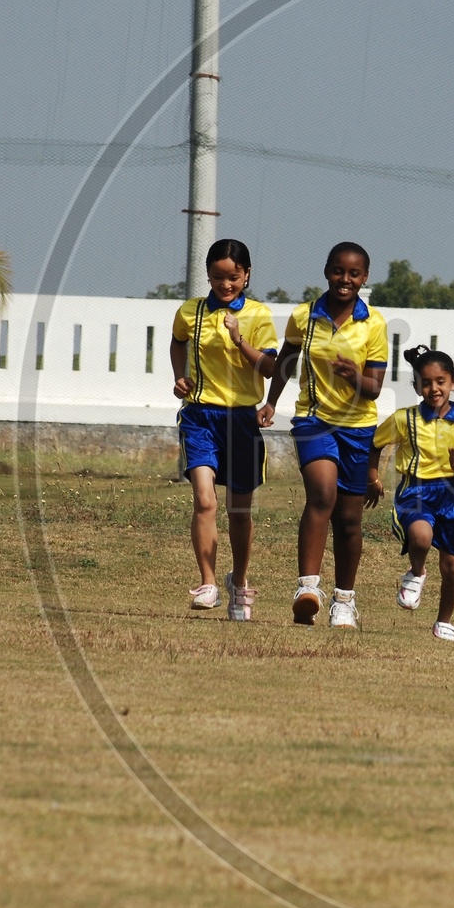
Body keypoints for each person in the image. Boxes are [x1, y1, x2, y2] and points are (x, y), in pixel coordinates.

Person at [265, 242, 388, 628]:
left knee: (349, 520)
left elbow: (375, 388)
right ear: (326, 271)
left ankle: (345, 601)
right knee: (322, 495)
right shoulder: (305, 317)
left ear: (365, 278)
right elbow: (286, 362)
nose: (345, 280)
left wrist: (355, 375)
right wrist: (270, 403)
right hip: (314, 421)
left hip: (358, 427)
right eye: (338, 271)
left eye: (354, 274)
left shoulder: (374, 324)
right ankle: (308, 588)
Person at [168, 238, 280, 622]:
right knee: (204, 501)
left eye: (233, 277)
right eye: (217, 277)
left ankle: (240, 582)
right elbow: (177, 342)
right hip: (200, 417)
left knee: (239, 511)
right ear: (208, 276)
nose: (225, 285)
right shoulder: (191, 311)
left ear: (247, 275)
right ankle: (208, 583)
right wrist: (179, 378)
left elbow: (269, 368)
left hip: (242, 421)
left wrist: (239, 339)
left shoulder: (259, 315)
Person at [366, 346, 454, 642]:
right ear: (417, 386)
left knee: (453, 566)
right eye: (426, 382)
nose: (434, 388)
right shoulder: (404, 419)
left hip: (451, 495)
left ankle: (444, 621)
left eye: (441, 381)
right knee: (421, 537)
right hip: (415, 490)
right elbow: (375, 444)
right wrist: (373, 477)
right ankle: (416, 572)